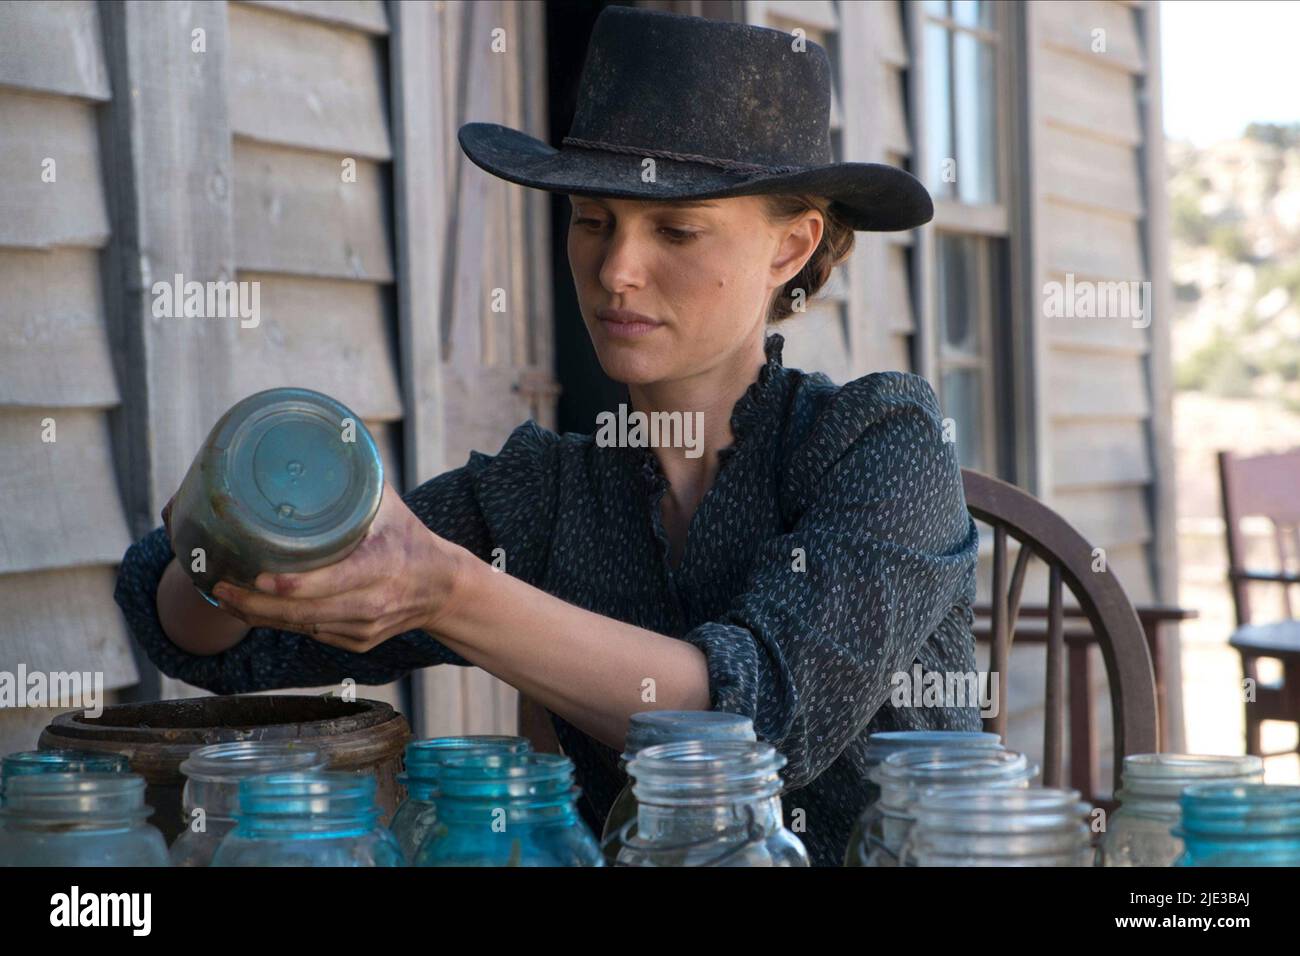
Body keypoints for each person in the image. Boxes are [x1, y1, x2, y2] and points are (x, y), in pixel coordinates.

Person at [114, 6, 981, 866]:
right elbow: (216, 643)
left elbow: (758, 728)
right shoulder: (541, 495)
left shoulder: (884, 442)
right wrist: (227, 533)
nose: (615, 271)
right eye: (591, 220)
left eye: (675, 230)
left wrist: (450, 593)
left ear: (791, 248)